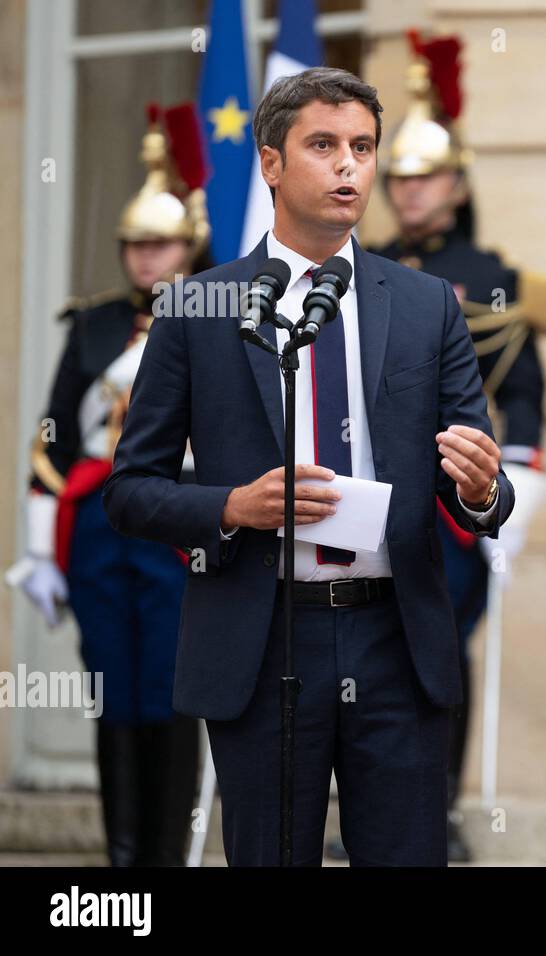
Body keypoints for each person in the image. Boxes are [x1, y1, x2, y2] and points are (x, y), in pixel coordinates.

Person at [103, 67, 515, 866]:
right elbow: (130, 492)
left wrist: (481, 489)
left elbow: (478, 485)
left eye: (363, 147)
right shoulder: (196, 309)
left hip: (395, 639)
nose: (349, 167)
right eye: (323, 145)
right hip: (263, 639)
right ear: (270, 163)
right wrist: (231, 507)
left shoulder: (428, 305)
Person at [365, 31, 546, 862]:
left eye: (426, 177)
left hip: (448, 496)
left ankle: (435, 807)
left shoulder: (492, 271)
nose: (409, 194)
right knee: (367, 655)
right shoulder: (357, 263)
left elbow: (524, 392)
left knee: (439, 651)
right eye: (399, 179)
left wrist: (514, 484)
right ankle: (372, 807)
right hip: (367, 491)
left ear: (457, 180)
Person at [13, 103, 208, 866]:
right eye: (134, 246)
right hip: (100, 524)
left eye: (158, 245)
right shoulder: (91, 326)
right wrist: (40, 548)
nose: (144, 259)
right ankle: (123, 857)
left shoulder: (213, 319)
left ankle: (166, 855)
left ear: (186, 244)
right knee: (113, 691)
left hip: (177, 522)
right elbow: (54, 431)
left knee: (171, 690)